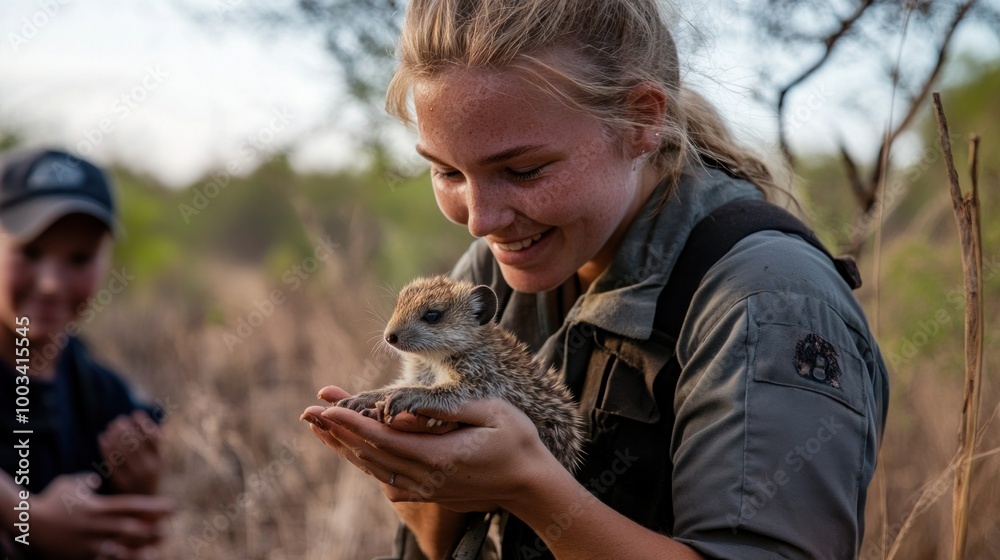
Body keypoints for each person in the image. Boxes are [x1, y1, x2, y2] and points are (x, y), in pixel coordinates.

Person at [301, 1, 889, 558]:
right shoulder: (493, 270)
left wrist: (530, 486)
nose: (481, 220)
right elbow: (437, 543)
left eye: (523, 169)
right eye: (447, 170)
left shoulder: (766, 303)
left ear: (641, 121)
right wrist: (415, 468)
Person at [0, 148, 175, 560]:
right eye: (30, 251)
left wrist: (135, 500)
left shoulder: (104, 395)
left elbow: (132, 542)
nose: (50, 284)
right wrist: (27, 517)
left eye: (79, 258)